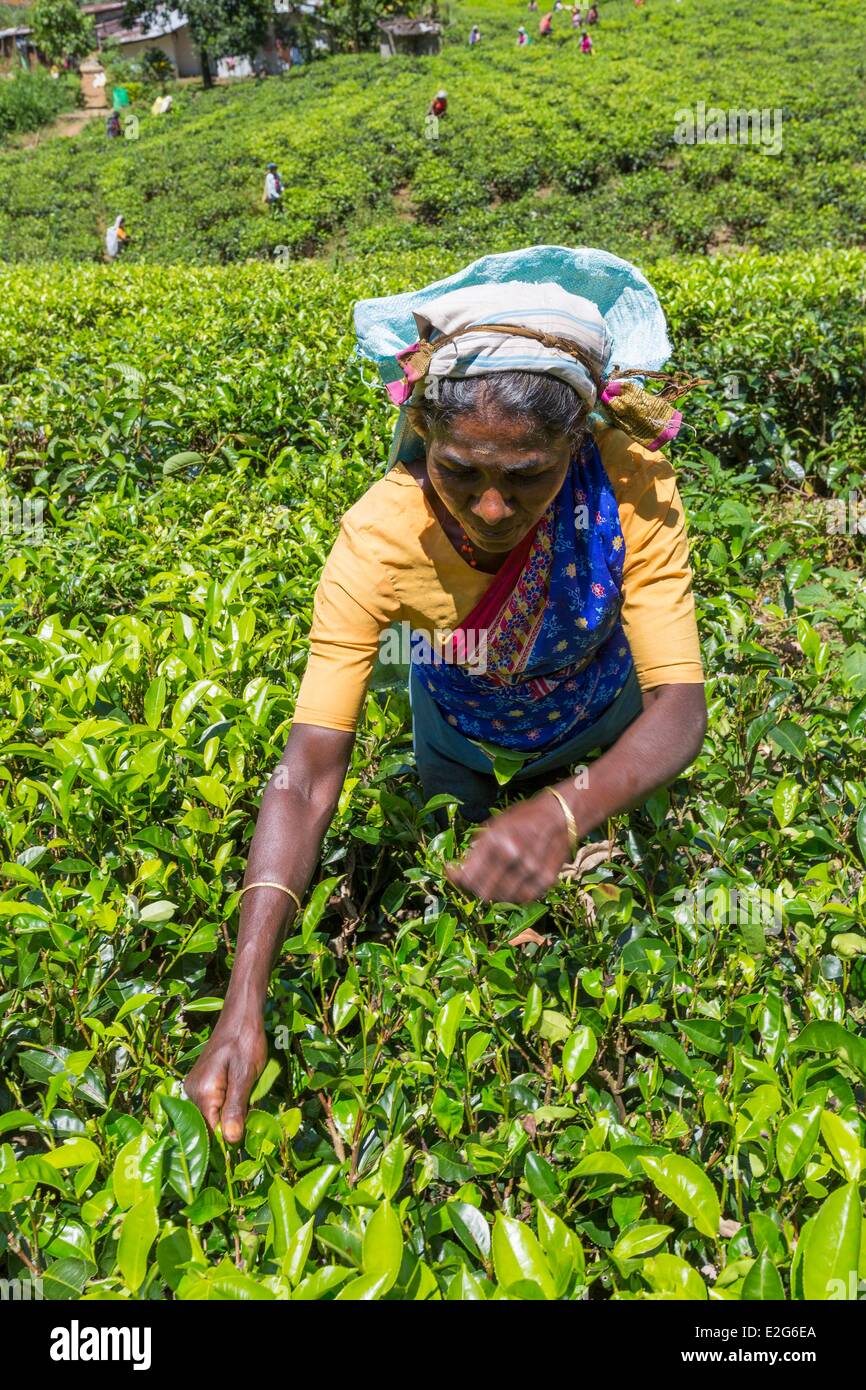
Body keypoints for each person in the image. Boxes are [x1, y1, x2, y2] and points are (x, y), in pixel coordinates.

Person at [183, 245, 707, 1142]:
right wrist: (243, 1002)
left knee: (601, 931)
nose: (492, 508)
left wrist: (564, 812)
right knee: (462, 899)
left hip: (605, 730)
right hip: (459, 732)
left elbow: (679, 712)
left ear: (576, 443)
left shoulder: (631, 481)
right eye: (461, 471)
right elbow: (306, 776)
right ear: (425, 437)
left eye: (528, 475)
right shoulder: (379, 540)